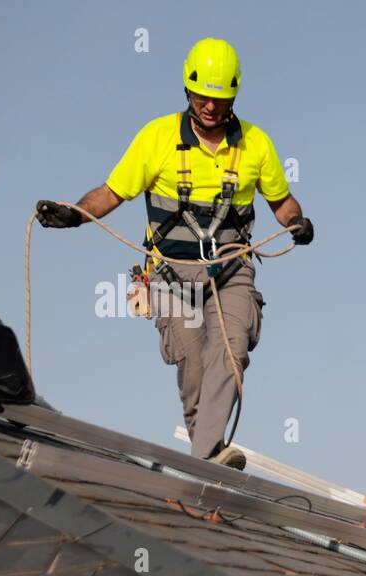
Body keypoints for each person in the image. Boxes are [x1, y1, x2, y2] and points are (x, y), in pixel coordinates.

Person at [34, 37, 313, 470]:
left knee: (232, 348)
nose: (211, 107)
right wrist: (73, 214)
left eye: (220, 100)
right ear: (188, 90)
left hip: (231, 268)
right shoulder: (156, 138)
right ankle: (210, 454)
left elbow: (282, 203)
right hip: (170, 272)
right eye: (203, 97)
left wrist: (298, 222)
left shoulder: (256, 144)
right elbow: (111, 193)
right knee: (191, 356)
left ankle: (203, 461)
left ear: (233, 97)